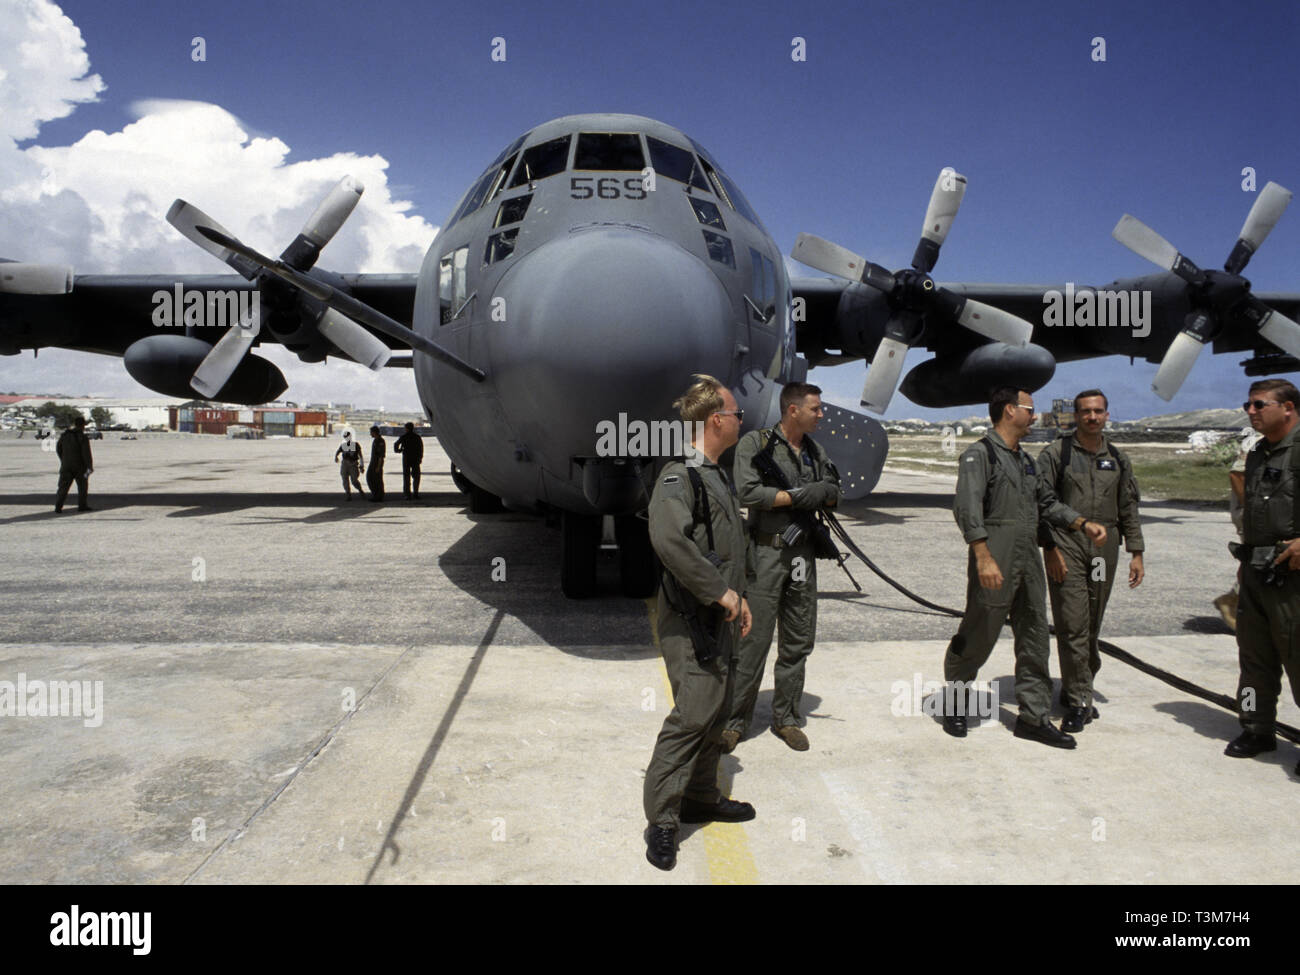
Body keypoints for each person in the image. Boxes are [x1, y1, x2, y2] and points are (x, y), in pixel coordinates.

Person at [943, 387, 1106, 747]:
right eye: (1029, 410)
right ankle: (954, 701)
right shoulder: (979, 454)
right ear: (1008, 411)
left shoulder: (1027, 461)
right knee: (979, 632)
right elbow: (967, 509)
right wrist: (983, 556)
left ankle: (1033, 717)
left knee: (1034, 639)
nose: (1035, 416)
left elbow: (1045, 504)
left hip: (1028, 560)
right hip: (995, 556)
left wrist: (1080, 523)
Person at [643, 374, 755, 871]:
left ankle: (702, 797)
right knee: (691, 716)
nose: (741, 421)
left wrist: (740, 598)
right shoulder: (680, 475)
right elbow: (671, 542)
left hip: (722, 616)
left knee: (716, 709)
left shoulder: (717, 474)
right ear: (716, 420)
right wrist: (719, 592)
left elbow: (727, 550)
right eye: (736, 414)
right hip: (693, 618)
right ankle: (663, 820)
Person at [723, 381, 841, 753]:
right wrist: (794, 496)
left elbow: (834, 488)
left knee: (798, 640)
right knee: (752, 641)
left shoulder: (813, 451)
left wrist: (821, 492)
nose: (821, 414)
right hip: (766, 555)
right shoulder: (756, 445)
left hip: (802, 556)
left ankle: (786, 718)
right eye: (815, 408)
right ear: (793, 410)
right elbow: (747, 491)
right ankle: (733, 722)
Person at [1037, 389, 1145, 732]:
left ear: (1107, 415)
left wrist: (1136, 553)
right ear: (1076, 416)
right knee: (1072, 622)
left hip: (1105, 549)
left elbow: (1128, 505)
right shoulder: (1057, 454)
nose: (1092, 417)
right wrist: (1050, 549)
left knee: (1091, 623)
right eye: (1085, 412)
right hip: (1068, 543)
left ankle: (1078, 686)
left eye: (1098, 411)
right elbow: (1042, 502)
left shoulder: (1117, 457)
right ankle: (1080, 697)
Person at [1225, 379, 1300, 773]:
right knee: (1254, 657)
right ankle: (1256, 727)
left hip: (1293, 575)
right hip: (1256, 570)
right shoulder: (1257, 453)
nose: (1250, 412)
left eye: (1259, 405)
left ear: (1287, 407)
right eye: (1248, 405)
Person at [1214, 427, 1263, 630]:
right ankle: (1235, 603)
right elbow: (1237, 475)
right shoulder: (1259, 440)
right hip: (1254, 516)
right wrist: (1252, 512)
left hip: (1277, 516)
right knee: (1258, 560)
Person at [54, 415, 94, 513]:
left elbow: (58, 449)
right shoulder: (82, 437)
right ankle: (82, 505)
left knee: (63, 487)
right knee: (82, 487)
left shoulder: (65, 435)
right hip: (79, 467)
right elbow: (86, 453)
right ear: (83, 425)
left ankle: (58, 506)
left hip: (66, 466)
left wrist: (63, 460)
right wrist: (89, 466)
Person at [394, 422, 424, 500]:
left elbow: (396, 444)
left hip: (406, 459)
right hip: (415, 459)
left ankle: (407, 494)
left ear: (406, 428)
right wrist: (420, 458)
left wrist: (398, 450)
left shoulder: (403, 437)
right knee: (416, 477)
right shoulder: (417, 437)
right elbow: (421, 448)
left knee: (406, 477)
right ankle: (416, 493)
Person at [334, 430, 365, 500]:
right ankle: (348, 494)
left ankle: (360, 490)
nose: (346, 438)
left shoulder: (355, 445)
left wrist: (362, 466)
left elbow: (360, 456)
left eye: (347, 437)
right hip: (345, 464)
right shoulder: (344, 445)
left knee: (354, 481)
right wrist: (336, 457)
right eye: (345, 437)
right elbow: (338, 451)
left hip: (353, 464)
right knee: (345, 479)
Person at [367, 425, 386, 501]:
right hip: (373, 462)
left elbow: (381, 456)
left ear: (374, 432)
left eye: (371, 432)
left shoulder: (380, 441)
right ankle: (376, 495)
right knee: (370, 478)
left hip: (377, 463)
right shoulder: (375, 440)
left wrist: (379, 466)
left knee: (377, 480)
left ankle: (379, 496)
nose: (370, 434)